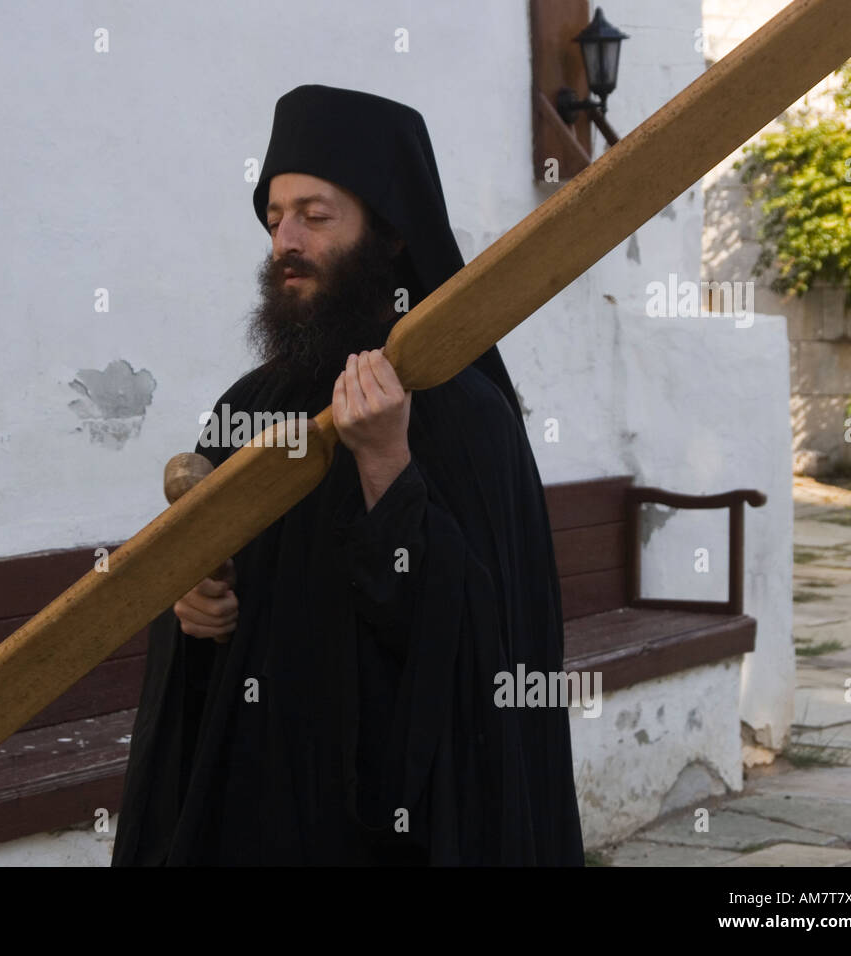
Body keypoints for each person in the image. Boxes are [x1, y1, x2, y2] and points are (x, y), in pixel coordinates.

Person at [111, 84, 585, 865]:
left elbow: (475, 652)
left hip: (393, 827)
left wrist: (387, 467)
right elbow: (199, 593)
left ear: (390, 235)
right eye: (274, 219)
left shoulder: (467, 416)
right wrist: (192, 604)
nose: (285, 242)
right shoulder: (248, 406)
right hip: (259, 804)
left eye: (315, 216)